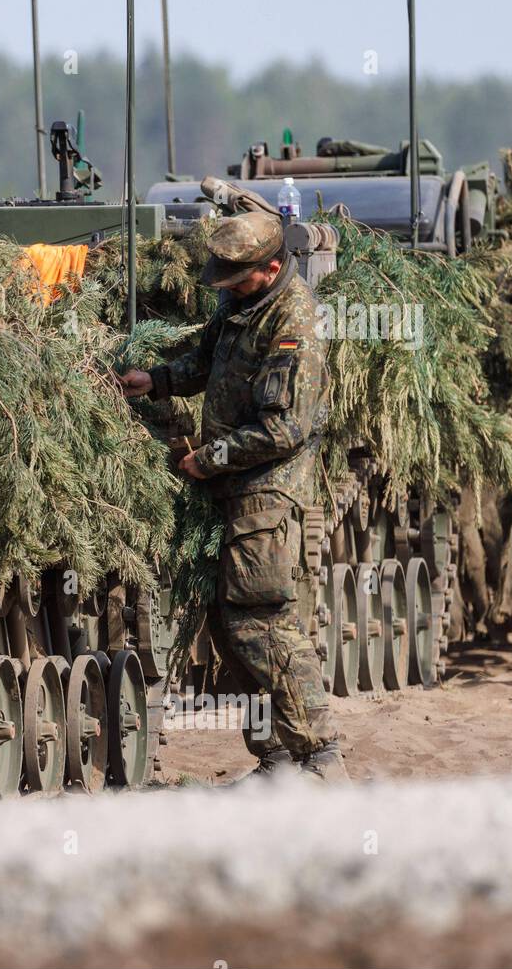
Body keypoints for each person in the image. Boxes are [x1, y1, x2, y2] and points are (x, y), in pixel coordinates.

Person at [120, 210, 347, 782]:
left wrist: (207, 459)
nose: (225, 288)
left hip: (266, 492)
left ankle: (320, 756)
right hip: (233, 488)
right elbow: (207, 357)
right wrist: (160, 379)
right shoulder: (242, 304)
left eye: (236, 278)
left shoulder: (294, 325)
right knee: (229, 626)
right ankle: (273, 759)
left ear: (271, 268)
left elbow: (284, 430)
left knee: (264, 624)